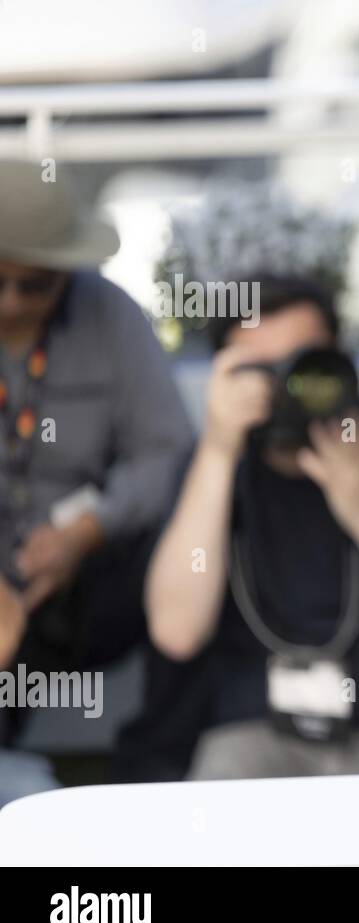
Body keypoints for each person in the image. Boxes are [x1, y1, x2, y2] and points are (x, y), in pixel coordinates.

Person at [144, 275, 359, 778]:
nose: (286, 388)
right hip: (255, 735)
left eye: (304, 366)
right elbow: (176, 632)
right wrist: (219, 452)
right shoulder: (212, 469)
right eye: (260, 371)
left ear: (340, 363)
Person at [0, 158, 193, 806]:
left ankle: (155, 785)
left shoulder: (111, 316)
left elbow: (165, 449)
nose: (12, 302)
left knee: (191, 546)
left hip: (89, 580)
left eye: (34, 285)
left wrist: (92, 526)